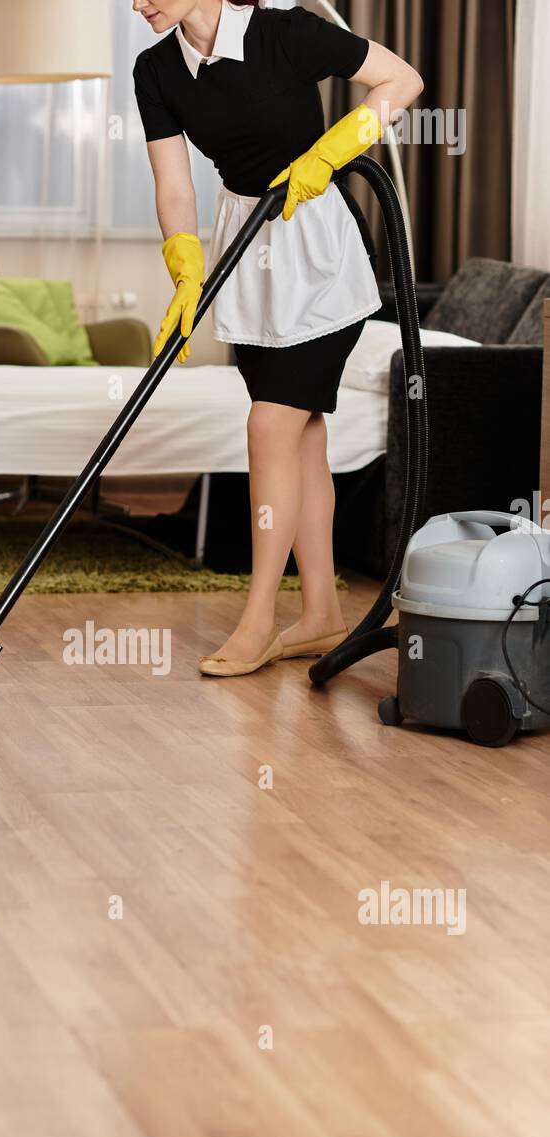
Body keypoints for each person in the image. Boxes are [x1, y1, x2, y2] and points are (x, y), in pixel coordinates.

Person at [133, 0, 423, 677]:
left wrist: (332, 151)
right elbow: (173, 184)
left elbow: (401, 80)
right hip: (246, 260)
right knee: (302, 436)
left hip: (319, 253)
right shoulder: (156, 71)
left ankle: (259, 619)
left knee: (269, 427)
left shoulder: (286, 32)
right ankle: (321, 613)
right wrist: (182, 268)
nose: (139, 2)